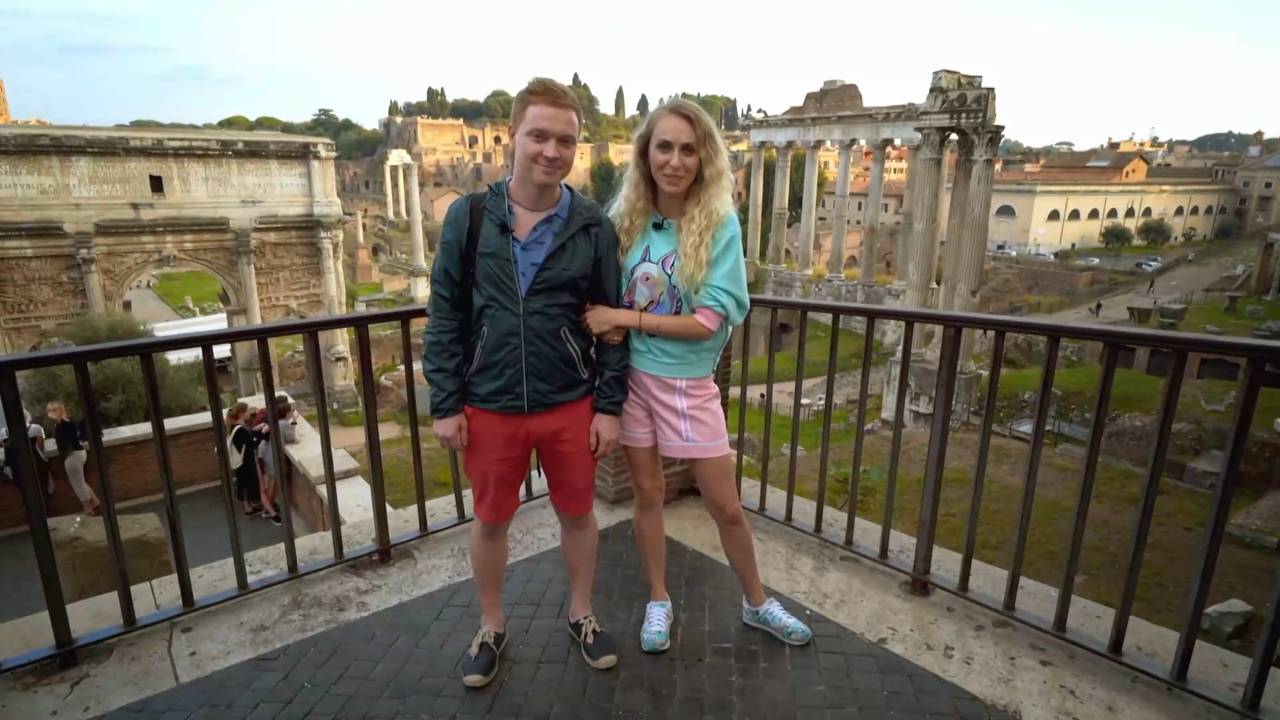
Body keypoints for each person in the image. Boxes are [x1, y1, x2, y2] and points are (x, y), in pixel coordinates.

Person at [583, 99, 813, 653]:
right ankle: (658, 599)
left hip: (688, 387)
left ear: (703, 158)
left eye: (688, 150)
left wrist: (623, 319)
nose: (675, 160)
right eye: (664, 147)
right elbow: (601, 296)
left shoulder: (720, 225)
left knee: (725, 507)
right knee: (647, 495)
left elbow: (707, 321)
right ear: (646, 153)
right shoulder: (627, 221)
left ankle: (756, 601)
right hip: (633, 384)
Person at [424, 77, 629, 688]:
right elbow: (445, 315)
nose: (552, 151)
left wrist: (609, 407)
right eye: (539, 136)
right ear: (512, 135)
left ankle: (582, 613)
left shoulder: (593, 226)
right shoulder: (468, 217)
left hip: (569, 401)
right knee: (491, 520)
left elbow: (612, 323)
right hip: (489, 404)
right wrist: (445, 402)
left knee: (578, 514)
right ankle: (491, 624)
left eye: (566, 141)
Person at [45, 401, 100, 515]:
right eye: (49, 410)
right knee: (80, 481)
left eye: (55, 410)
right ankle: (94, 501)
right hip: (78, 453)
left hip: (73, 456)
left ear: (61, 410)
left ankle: (87, 509)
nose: (52, 413)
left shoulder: (63, 422)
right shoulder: (64, 423)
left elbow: (59, 422)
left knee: (77, 484)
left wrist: (53, 417)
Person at [255, 397, 299, 527]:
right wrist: (294, 421)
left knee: (271, 481)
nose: (292, 412)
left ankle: (268, 506)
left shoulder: (275, 422)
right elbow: (291, 438)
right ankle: (268, 509)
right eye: (291, 411)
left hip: (268, 453)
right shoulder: (284, 424)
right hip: (274, 456)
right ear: (287, 413)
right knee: (273, 483)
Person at [1, 410, 54, 494]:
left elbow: (7, 449)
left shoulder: (3, 432)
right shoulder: (37, 428)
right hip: (35, 461)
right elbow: (41, 447)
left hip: (16, 466)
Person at [225, 403, 263, 517]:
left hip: (241, 461)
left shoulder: (235, 427)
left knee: (244, 483)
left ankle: (248, 506)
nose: (249, 413)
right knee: (246, 484)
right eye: (247, 411)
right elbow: (252, 444)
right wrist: (262, 433)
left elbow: (247, 440)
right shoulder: (240, 430)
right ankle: (248, 508)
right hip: (245, 462)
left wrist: (255, 431)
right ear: (241, 413)